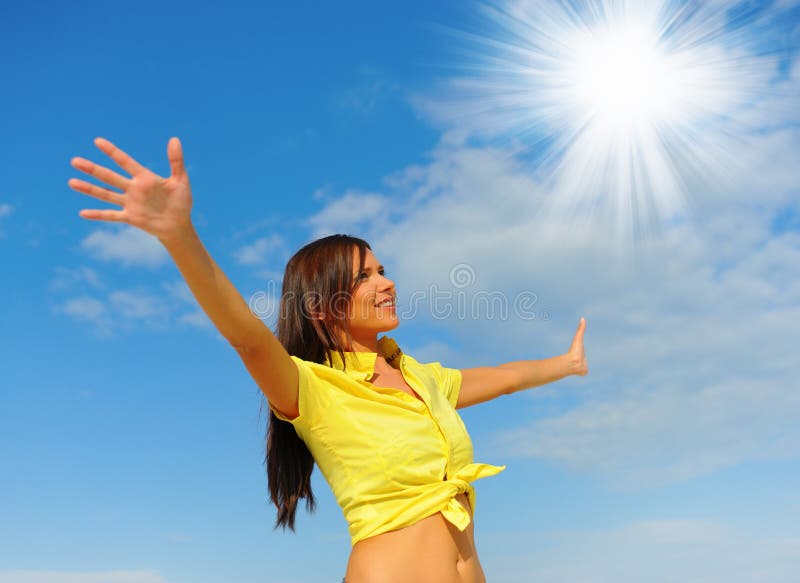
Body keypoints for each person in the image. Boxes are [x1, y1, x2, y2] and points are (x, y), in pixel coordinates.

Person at [68, 137, 589, 583]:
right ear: (320, 304)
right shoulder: (312, 389)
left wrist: (566, 364)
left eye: (382, 269)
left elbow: (504, 378)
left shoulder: (422, 378)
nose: (386, 282)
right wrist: (180, 238)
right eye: (364, 275)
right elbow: (248, 338)